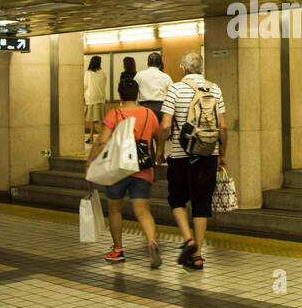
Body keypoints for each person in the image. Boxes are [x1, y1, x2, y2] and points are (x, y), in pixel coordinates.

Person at [85, 78, 164, 266]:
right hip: (142, 167)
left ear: (120, 95)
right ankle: (152, 242)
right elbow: (158, 134)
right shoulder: (148, 114)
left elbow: (102, 141)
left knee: (115, 209)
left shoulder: (114, 114)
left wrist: (90, 162)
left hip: (117, 168)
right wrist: (159, 151)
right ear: (138, 94)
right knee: (143, 211)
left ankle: (118, 249)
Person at [159, 51, 226, 270]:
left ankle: (188, 239)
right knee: (201, 205)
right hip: (208, 155)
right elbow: (223, 127)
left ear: (183, 68)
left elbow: (166, 126)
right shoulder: (214, 89)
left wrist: (160, 149)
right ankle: (197, 256)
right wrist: (222, 153)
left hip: (180, 156)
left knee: (176, 200)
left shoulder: (175, 89)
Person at [134, 52, 172, 118]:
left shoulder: (139, 75)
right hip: (161, 109)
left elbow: (133, 92)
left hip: (144, 108)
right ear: (160, 64)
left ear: (148, 63)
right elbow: (171, 94)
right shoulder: (166, 77)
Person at [84, 55, 107, 142]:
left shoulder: (88, 73)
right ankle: (91, 136)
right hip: (101, 98)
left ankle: (106, 138)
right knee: (97, 119)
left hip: (92, 99)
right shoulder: (103, 73)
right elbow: (104, 84)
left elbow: (84, 85)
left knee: (94, 120)